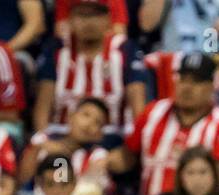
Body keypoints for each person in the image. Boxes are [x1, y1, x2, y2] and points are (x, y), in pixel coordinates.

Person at [110, 52, 219, 195]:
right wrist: (101, 160)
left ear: (211, 87)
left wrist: (189, 164)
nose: (187, 87)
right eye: (183, 79)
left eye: (196, 81)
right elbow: (127, 156)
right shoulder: (153, 112)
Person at [33, 0, 146, 135]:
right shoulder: (56, 49)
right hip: (63, 136)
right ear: (70, 20)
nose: (89, 22)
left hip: (112, 137)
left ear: (108, 20)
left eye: (96, 15)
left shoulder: (125, 50)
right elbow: (42, 108)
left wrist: (134, 148)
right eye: (82, 15)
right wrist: (43, 142)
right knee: (57, 158)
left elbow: (138, 104)